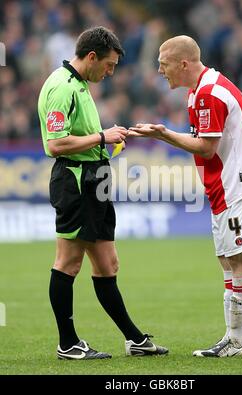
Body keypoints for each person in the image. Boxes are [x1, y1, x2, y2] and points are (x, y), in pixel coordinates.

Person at [130, 35, 242, 357]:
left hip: (237, 185)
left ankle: (237, 343)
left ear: (183, 63)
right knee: (227, 259)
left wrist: (163, 133)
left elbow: (207, 147)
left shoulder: (209, 93)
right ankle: (232, 339)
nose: (159, 70)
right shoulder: (201, 90)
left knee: (239, 259)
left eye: (163, 64)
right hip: (226, 185)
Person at [38, 26, 168, 360]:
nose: (110, 73)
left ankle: (135, 340)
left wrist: (108, 138)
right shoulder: (61, 87)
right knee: (68, 263)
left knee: (108, 264)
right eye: (108, 65)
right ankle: (67, 343)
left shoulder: (79, 85)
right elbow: (55, 144)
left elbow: (82, 137)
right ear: (92, 57)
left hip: (95, 180)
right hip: (77, 181)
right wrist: (101, 138)